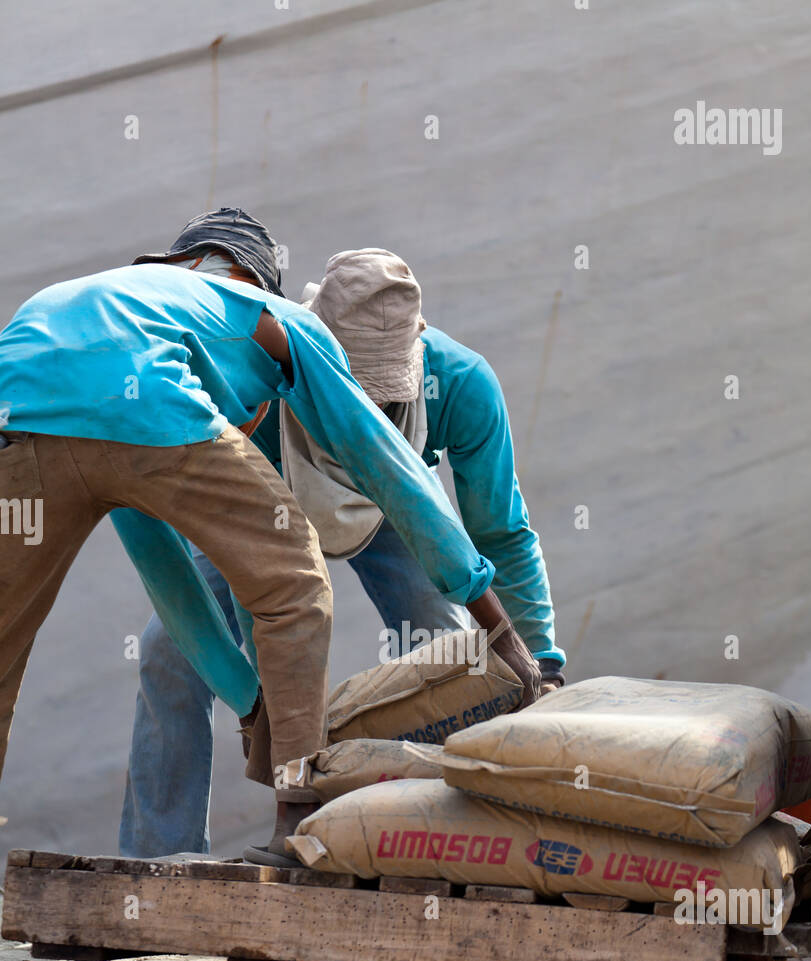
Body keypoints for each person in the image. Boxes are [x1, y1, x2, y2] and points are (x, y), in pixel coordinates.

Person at [0, 212, 540, 863]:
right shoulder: (266, 313)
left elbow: (162, 569)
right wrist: (496, 622)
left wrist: (251, 701)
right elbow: (386, 462)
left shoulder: (108, 306)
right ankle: (295, 818)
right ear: (260, 284)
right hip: (156, 416)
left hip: (18, 417)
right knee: (295, 586)